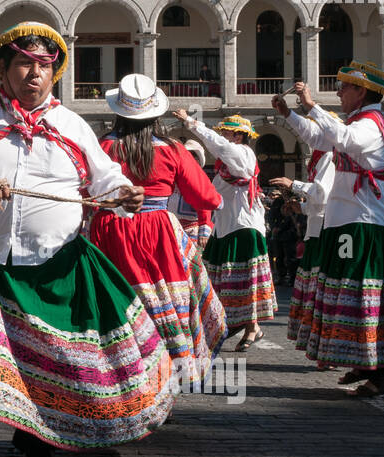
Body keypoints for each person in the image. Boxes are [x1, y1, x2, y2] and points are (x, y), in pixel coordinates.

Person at [0, 22, 168, 457]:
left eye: (44, 66)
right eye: (24, 64)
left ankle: (45, 433)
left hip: (57, 259)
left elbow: (104, 177)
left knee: (57, 355)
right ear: (3, 69)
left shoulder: (70, 124)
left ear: (56, 72)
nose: (34, 74)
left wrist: (124, 192)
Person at [281, 63, 384, 395]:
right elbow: (321, 137)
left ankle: (380, 371)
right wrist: (290, 114)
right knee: (351, 294)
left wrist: (312, 106)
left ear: (363, 92)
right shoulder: (359, 121)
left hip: (365, 223)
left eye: (345, 88)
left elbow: (343, 137)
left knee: (361, 294)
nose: (339, 93)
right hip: (348, 222)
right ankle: (364, 362)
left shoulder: (373, 122)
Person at [88, 73, 227, 380]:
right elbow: (206, 196)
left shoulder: (104, 148)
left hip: (111, 230)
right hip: (158, 232)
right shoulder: (173, 149)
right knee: (164, 303)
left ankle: (120, 378)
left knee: (117, 303)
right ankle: (165, 377)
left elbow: (85, 192)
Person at [175, 111, 277, 351]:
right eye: (222, 131)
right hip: (225, 227)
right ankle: (231, 322)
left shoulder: (243, 154)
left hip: (244, 225)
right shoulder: (225, 168)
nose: (222, 135)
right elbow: (212, 195)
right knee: (223, 279)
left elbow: (219, 146)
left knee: (246, 279)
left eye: (226, 131)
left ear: (238, 136)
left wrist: (191, 124)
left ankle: (252, 326)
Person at [270, 103, 337, 354]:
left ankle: (326, 346)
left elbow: (323, 194)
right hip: (316, 228)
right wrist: (302, 208)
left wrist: (293, 184)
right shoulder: (321, 158)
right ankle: (320, 346)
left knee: (322, 292)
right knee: (316, 293)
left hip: (324, 232)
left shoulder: (330, 156)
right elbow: (318, 202)